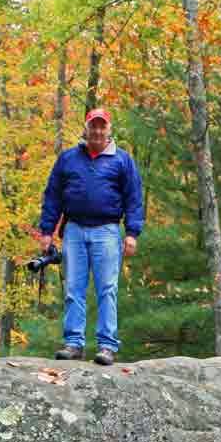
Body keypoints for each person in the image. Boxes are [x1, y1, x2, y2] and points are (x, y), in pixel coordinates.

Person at [39, 108, 145, 366]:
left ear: (109, 130)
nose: (97, 131)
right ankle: (74, 344)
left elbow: (134, 199)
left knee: (107, 289)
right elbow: (53, 196)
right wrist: (46, 232)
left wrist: (132, 233)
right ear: (86, 129)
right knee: (74, 289)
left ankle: (107, 345)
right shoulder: (68, 159)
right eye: (93, 126)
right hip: (74, 229)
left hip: (108, 231)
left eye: (102, 126)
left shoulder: (122, 160)